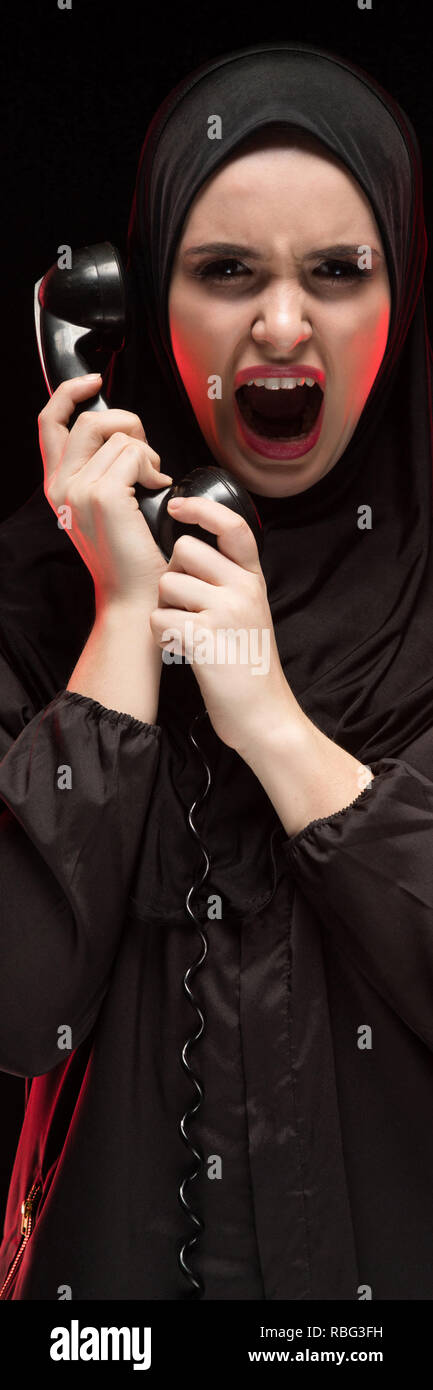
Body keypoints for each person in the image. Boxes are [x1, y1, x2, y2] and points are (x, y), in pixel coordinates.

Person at [0, 38, 432, 1302]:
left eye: (340, 273)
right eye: (226, 270)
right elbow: (22, 1002)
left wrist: (276, 729)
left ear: (403, 297)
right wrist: (124, 614)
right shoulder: (35, 597)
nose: (282, 324)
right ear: (133, 307)